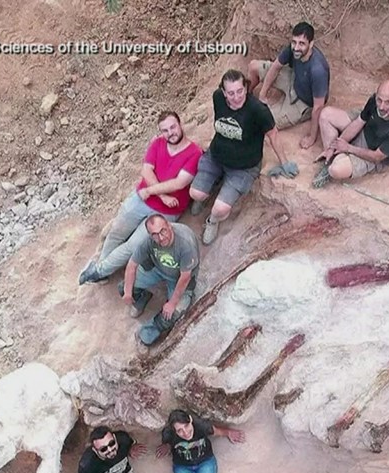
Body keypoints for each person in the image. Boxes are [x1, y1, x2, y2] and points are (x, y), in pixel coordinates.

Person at [78, 111, 203, 285]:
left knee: (133, 245)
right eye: (165, 130)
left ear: (180, 125)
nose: (170, 133)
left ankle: (99, 271)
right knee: (116, 232)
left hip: (166, 211)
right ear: (160, 132)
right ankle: (103, 270)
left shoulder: (194, 152)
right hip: (143, 198)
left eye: (173, 127)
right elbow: (146, 170)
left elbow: (179, 183)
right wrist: (161, 195)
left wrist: (151, 191)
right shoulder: (157, 143)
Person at [189, 69, 292, 246]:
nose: (236, 97)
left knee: (220, 209)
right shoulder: (217, 98)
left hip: (244, 167)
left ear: (245, 88)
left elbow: (273, 134)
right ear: (223, 92)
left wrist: (284, 162)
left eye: (239, 91)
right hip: (216, 156)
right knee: (195, 194)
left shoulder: (258, 110)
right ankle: (209, 190)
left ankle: (212, 221)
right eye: (231, 93)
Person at [311, 79, 389, 188]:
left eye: (387, 102)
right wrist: (334, 147)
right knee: (326, 115)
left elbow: (376, 157)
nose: (381, 107)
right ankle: (333, 155)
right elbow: (359, 122)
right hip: (366, 130)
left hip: (373, 153)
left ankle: (335, 160)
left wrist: (348, 148)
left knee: (335, 170)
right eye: (379, 100)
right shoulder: (374, 100)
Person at [247, 21, 331, 149]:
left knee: (260, 120)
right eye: (294, 42)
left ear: (311, 44)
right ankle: (246, 96)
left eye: (302, 43)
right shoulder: (294, 49)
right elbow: (276, 67)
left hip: (304, 102)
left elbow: (318, 107)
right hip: (294, 79)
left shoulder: (317, 70)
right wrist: (262, 95)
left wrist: (311, 137)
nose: (296, 47)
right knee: (253, 66)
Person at [118, 214, 199, 346]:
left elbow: (185, 277)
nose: (161, 238)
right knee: (124, 287)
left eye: (163, 231)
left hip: (179, 278)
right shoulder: (149, 241)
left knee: (170, 316)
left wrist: (172, 303)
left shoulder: (185, 244)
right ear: (150, 235)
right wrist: (127, 292)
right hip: (157, 269)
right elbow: (132, 265)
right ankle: (142, 298)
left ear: (169, 226)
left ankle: (145, 335)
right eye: (155, 235)